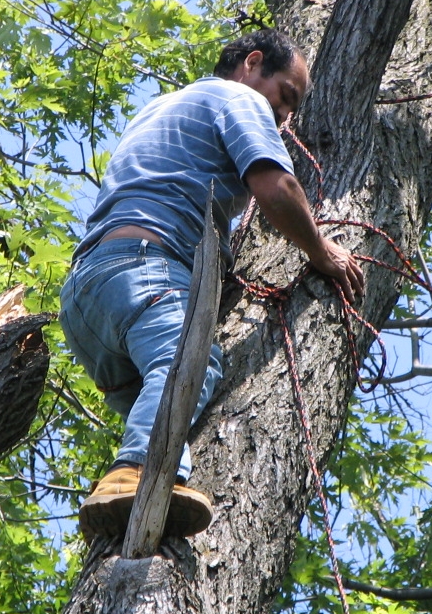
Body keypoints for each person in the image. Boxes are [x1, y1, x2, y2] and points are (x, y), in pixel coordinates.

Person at [59, 29, 364, 539]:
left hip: (90, 295)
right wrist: (321, 250)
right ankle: (135, 472)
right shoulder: (236, 97)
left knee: (170, 398)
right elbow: (276, 187)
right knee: (188, 364)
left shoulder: (161, 108)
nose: (284, 119)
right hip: (146, 266)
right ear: (252, 63)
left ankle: (137, 483)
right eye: (285, 98)